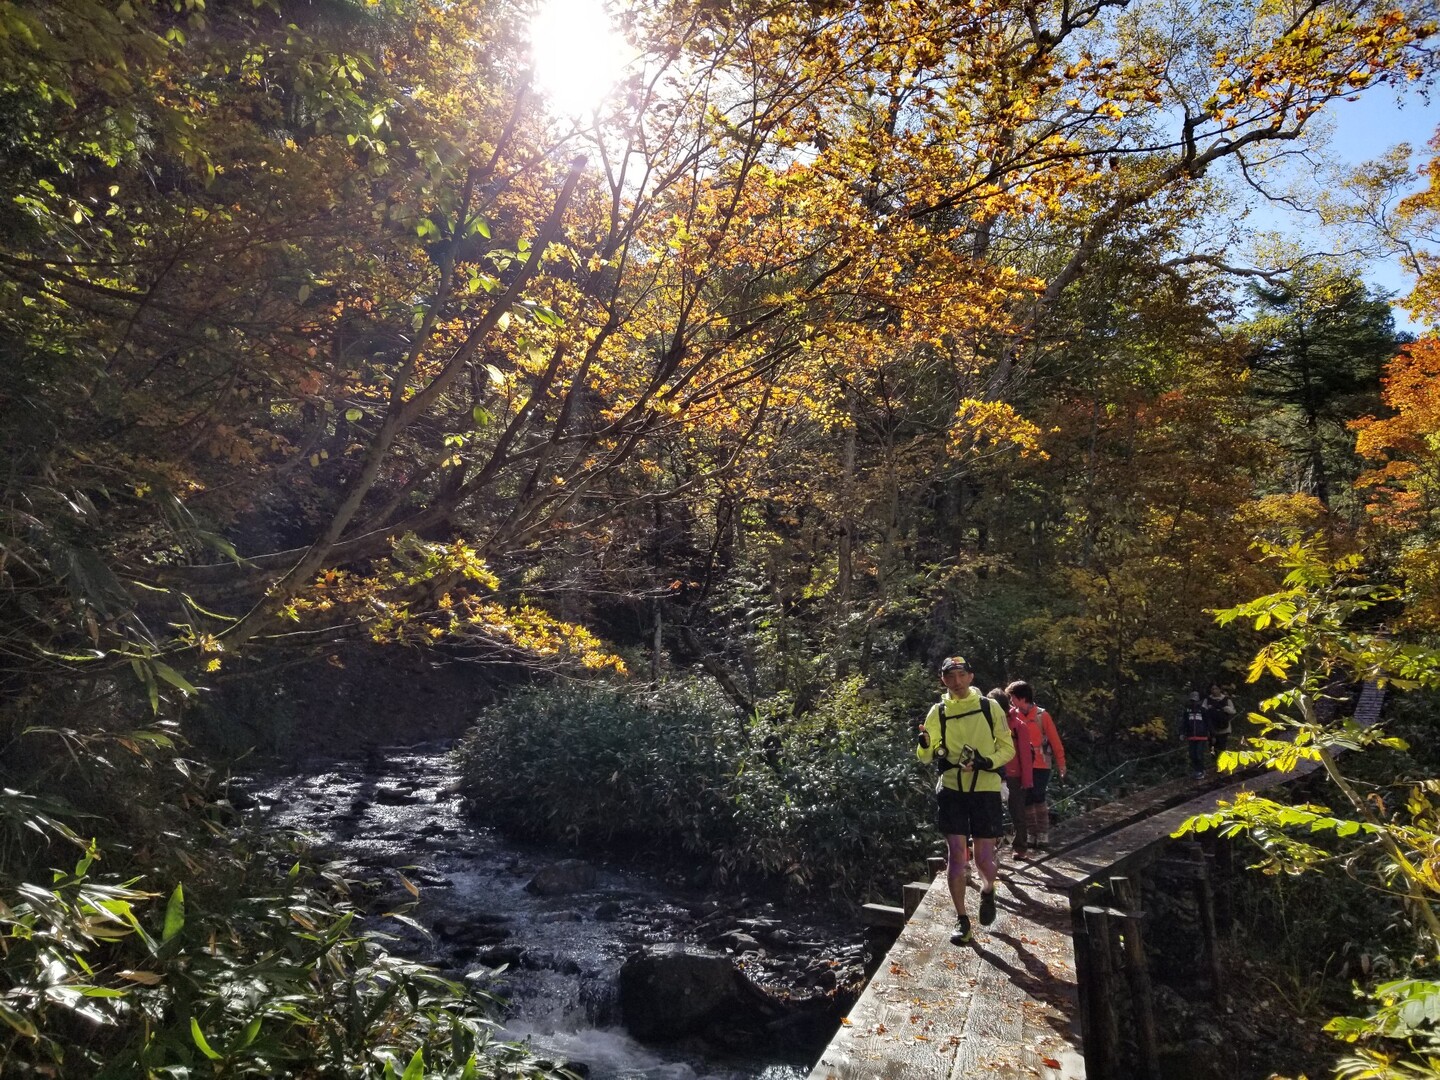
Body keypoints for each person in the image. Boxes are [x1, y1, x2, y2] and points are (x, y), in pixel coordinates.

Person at [917, 656, 1015, 945]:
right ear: (942, 679)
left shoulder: (989, 707)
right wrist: (924, 745)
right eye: (950, 676)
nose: (956, 681)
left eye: (961, 675)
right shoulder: (938, 711)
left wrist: (987, 762)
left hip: (986, 788)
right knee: (957, 855)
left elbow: (1007, 748)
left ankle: (988, 890)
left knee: (984, 859)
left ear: (971, 676)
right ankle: (962, 920)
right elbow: (925, 755)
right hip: (951, 788)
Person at [1006, 681, 1065, 850]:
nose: (1011, 701)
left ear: (1022, 698)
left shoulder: (1042, 716)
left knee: (1038, 795)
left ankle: (1043, 833)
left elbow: (1055, 740)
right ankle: (1031, 834)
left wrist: (1061, 763)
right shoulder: (1013, 716)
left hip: (1041, 763)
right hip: (1022, 764)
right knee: (1026, 799)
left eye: (1013, 697)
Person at [989, 687, 1035, 858]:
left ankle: (1021, 847)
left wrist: (1027, 780)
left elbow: (1025, 754)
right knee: (991, 811)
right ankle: (992, 847)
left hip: (1014, 775)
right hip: (993, 773)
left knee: (1017, 812)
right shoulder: (987, 724)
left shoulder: (1019, 725)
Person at [1179, 690, 1209, 780]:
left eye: (1195, 700)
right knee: (1192, 754)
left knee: (1199, 754)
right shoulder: (1187, 711)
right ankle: (1196, 770)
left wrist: (1211, 733)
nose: (1193, 702)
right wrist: (1182, 733)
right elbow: (1184, 723)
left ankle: (1201, 770)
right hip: (1191, 736)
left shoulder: (1203, 710)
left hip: (1202, 736)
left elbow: (1207, 722)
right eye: (1192, 700)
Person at [1201, 682, 1236, 760]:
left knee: (1222, 747)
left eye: (1216, 689)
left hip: (1224, 728)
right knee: (1212, 747)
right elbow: (1203, 712)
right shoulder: (1207, 700)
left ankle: (1222, 765)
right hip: (1212, 729)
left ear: (1220, 689)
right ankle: (1215, 764)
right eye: (1212, 689)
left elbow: (1233, 711)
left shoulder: (1226, 699)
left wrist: (1226, 708)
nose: (1214, 691)